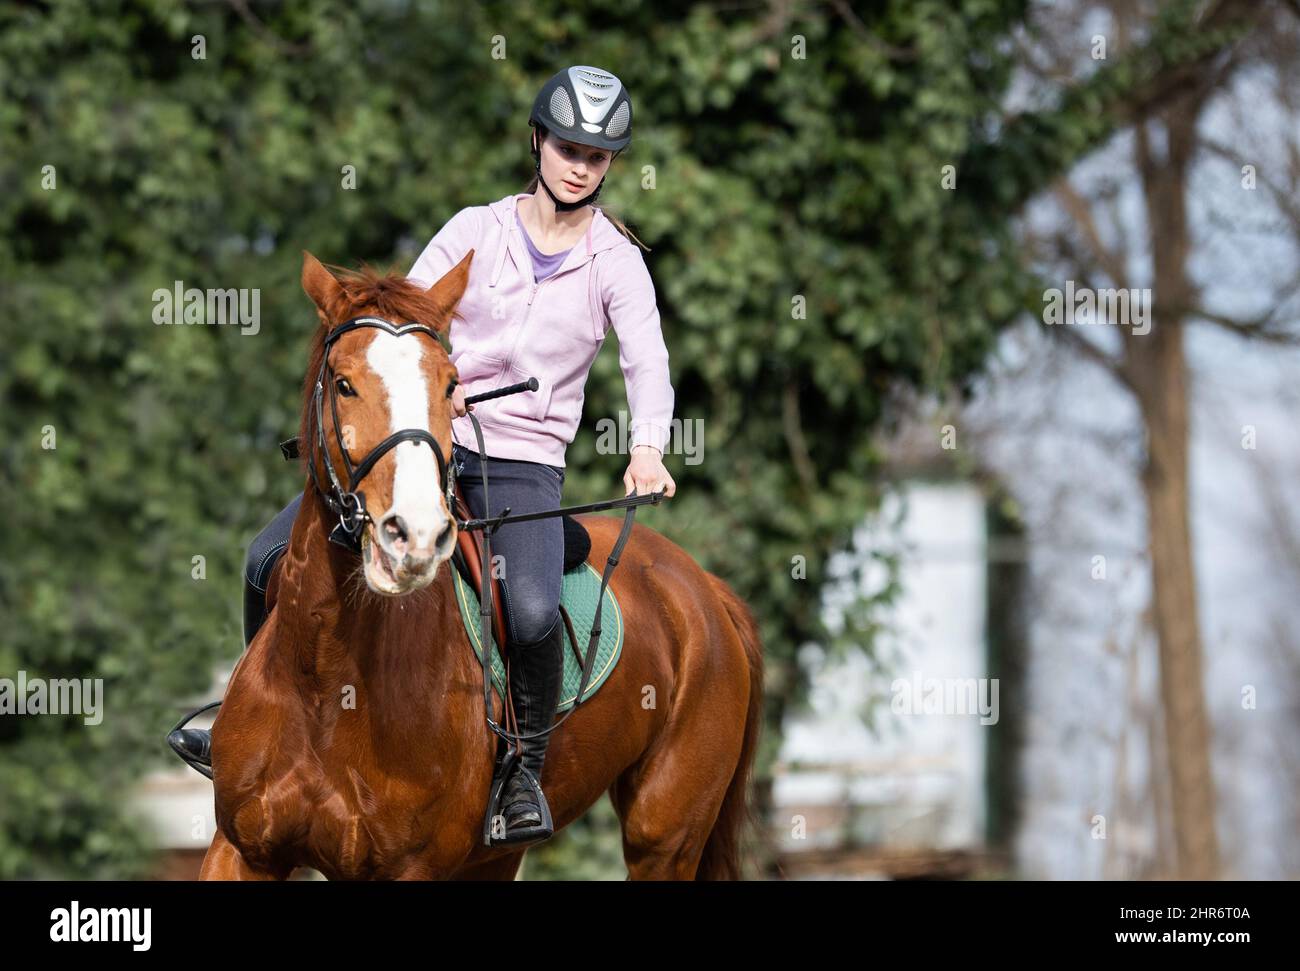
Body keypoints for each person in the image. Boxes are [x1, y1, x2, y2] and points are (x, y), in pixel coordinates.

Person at [168, 64, 677, 846]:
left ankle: (519, 773)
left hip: (521, 467)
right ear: (537, 140)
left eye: (598, 155)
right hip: (428, 447)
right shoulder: (477, 228)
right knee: (267, 554)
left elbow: (646, 359)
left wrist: (647, 447)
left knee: (536, 612)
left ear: (610, 166)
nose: (580, 164)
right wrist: (416, 386)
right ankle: (254, 725)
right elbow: (402, 319)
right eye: (569, 146)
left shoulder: (616, 262)